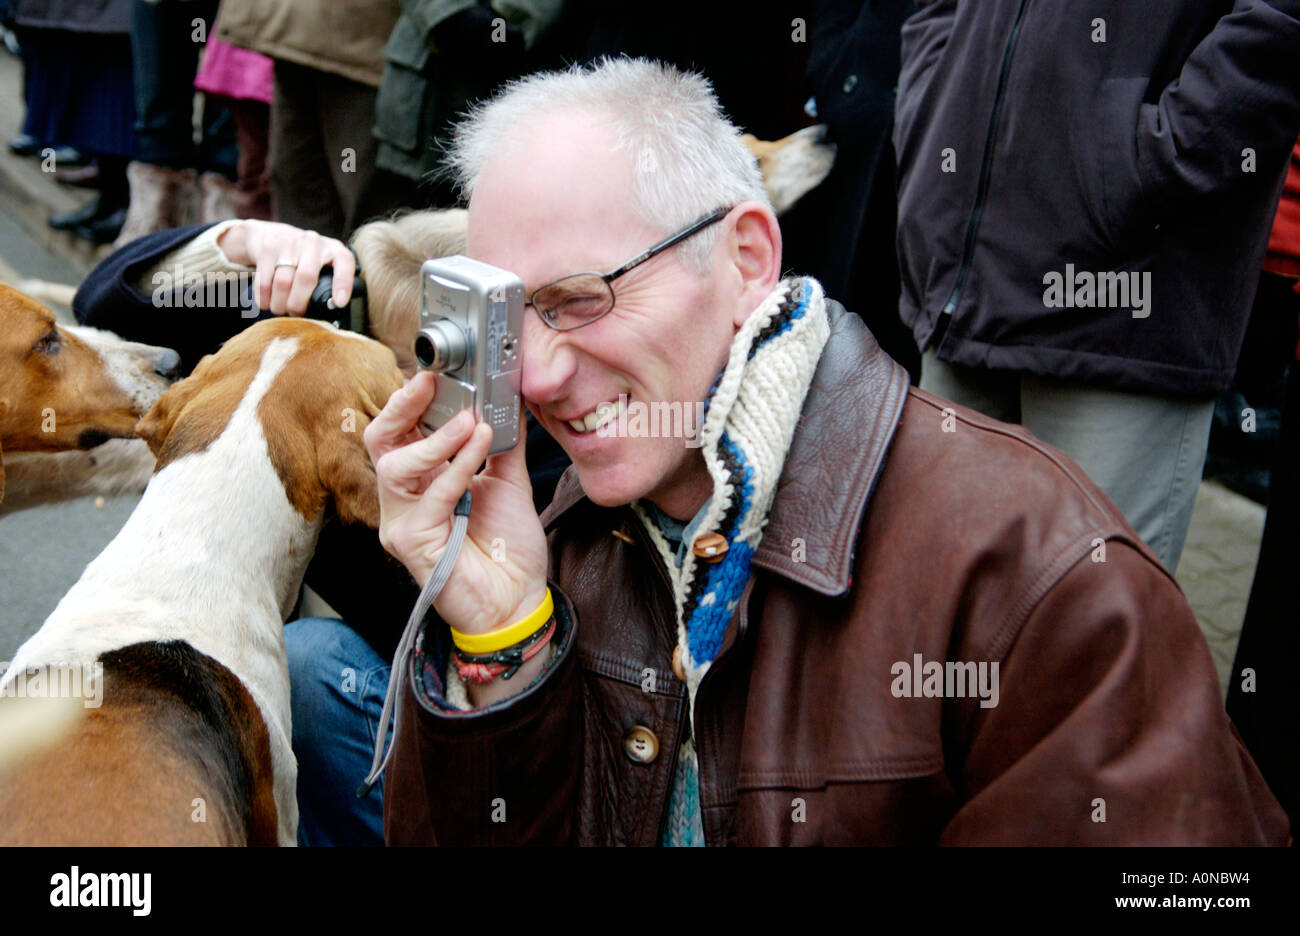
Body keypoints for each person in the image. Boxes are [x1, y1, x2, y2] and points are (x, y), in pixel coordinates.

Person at [341, 58, 1280, 845]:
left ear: (747, 259)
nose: (537, 378)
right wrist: (502, 639)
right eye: (508, 320)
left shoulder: (1037, 573)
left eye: (581, 299)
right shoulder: (566, 542)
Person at [893, 0, 1300, 573]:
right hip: (967, 282)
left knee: (1080, 637)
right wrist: (937, 110)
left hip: (1123, 311)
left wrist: (1151, 157)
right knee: (936, 613)